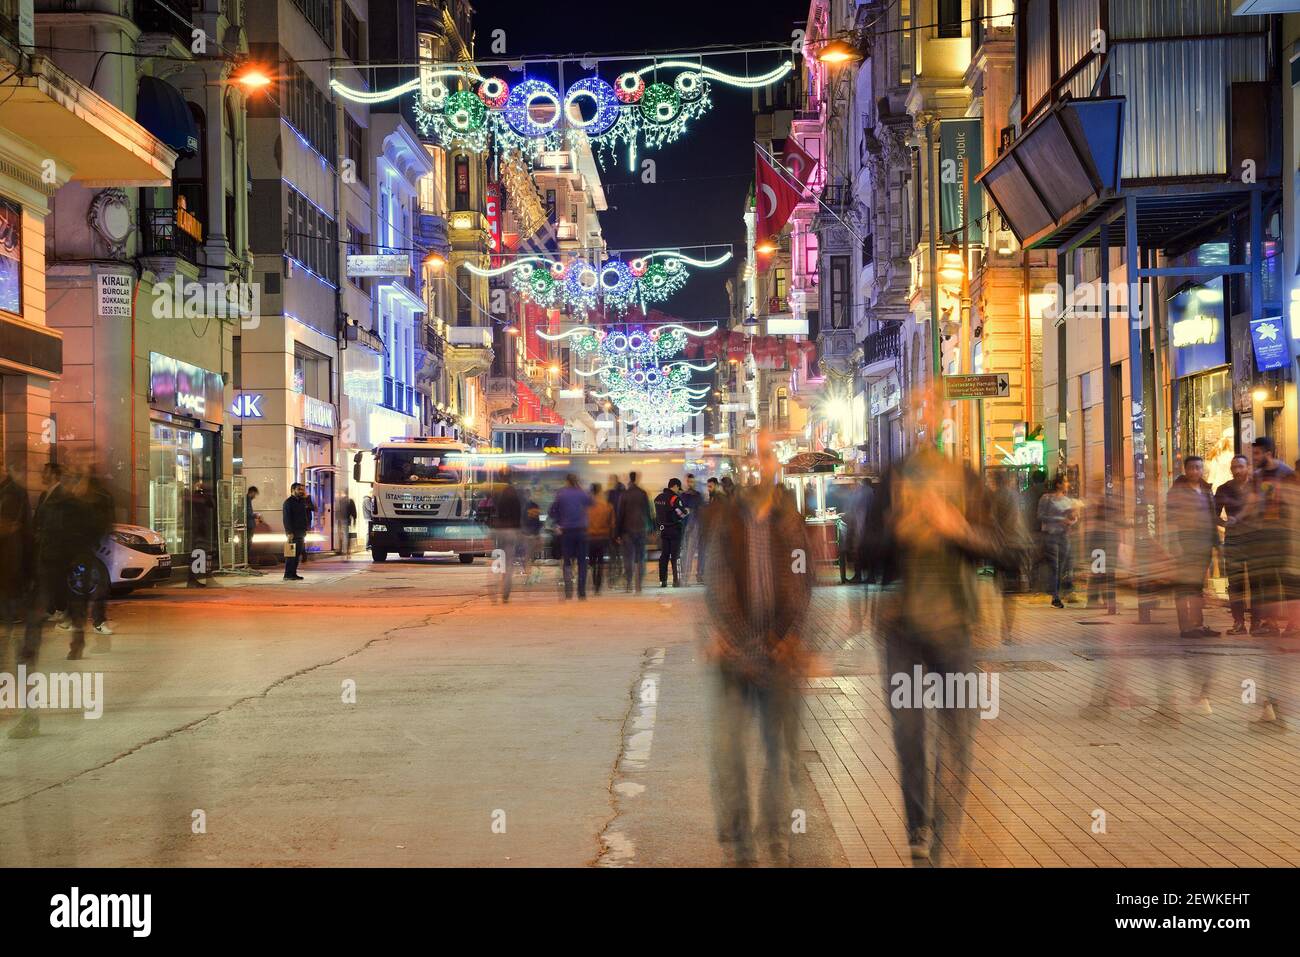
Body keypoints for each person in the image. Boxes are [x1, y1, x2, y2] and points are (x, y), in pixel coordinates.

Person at [863, 389, 1005, 867]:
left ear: (946, 414)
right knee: (909, 736)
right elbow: (862, 554)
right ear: (910, 416)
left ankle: (945, 840)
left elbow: (1007, 551)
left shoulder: (965, 479)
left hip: (955, 629)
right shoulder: (894, 477)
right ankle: (918, 829)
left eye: (934, 405)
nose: (927, 413)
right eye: (919, 405)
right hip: (903, 628)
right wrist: (895, 533)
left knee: (959, 739)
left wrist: (958, 529)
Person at [704, 431, 813, 866]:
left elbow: (806, 584)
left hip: (781, 654)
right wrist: (738, 642)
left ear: (775, 466)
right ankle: (739, 839)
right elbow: (717, 585)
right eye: (753, 456)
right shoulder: (726, 521)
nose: (759, 464)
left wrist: (792, 638)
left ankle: (777, 836)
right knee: (729, 748)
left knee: (780, 751)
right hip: (735, 654)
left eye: (766, 456)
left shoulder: (792, 521)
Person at [1167, 456, 1219, 639]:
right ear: (1186, 470)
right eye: (1192, 468)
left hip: (1204, 546)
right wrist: (1174, 545)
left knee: (1197, 587)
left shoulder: (1206, 490)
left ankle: (1199, 624)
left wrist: (1215, 544)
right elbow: (1170, 519)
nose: (1196, 471)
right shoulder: (1177, 491)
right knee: (1183, 587)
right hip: (1185, 545)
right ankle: (1186, 627)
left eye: (1199, 468)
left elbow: (1212, 517)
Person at [1251, 437, 1293, 636]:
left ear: (1268, 453)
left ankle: (1294, 623)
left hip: (1283, 534)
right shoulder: (1257, 476)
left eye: (1257, 453)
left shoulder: (1285, 473)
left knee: (1286, 580)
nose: (1254, 457)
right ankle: (1271, 622)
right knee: (1266, 580)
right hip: (1263, 534)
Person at [1215, 455, 1257, 635]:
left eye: (1240, 466)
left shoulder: (1258, 486)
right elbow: (1214, 515)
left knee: (1257, 583)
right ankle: (1238, 623)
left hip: (1255, 541)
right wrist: (1225, 524)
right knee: (1235, 584)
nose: (1237, 470)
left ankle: (1258, 623)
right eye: (1234, 467)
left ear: (1248, 466)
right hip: (1233, 541)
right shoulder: (1223, 489)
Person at [990, 471, 1031, 641]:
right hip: (1017, 545)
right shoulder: (1016, 496)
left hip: (1003, 547)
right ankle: (1008, 629)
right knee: (1010, 593)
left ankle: (1005, 627)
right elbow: (1022, 521)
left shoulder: (997, 497)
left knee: (1003, 590)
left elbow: (992, 521)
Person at [0, 465, 32, 642]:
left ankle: (11, 615)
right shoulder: (10, 490)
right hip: (11, 546)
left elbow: (14, 524)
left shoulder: (14, 492)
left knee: (10, 581)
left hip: (11, 547)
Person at [549, 473, 593, 600]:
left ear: (567, 481)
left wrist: (559, 520)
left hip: (567, 532)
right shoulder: (582, 493)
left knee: (567, 561)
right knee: (582, 562)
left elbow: (552, 511)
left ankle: (568, 591)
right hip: (582, 532)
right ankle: (581, 592)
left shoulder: (561, 493)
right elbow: (591, 502)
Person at [1037, 476, 1077, 608]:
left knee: (1062, 566)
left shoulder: (1067, 501)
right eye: (1065, 481)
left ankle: (1057, 593)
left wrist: (1073, 519)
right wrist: (1059, 519)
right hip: (1051, 535)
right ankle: (1055, 596)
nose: (1067, 484)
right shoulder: (1046, 498)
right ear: (1058, 484)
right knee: (1055, 566)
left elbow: (1073, 518)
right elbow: (1040, 516)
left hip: (1064, 535)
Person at [615, 471, 653, 593]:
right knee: (640, 558)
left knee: (628, 558)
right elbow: (648, 512)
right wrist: (651, 528)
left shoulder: (624, 495)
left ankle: (629, 583)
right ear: (637, 479)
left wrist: (617, 533)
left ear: (629, 480)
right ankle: (639, 585)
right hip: (641, 529)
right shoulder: (643, 494)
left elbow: (620, 515)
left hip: (627, 531)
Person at [490, 471, 524, 603]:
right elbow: (518, 512)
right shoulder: (514, 492)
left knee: (499, 558)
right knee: (509, 562)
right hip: (511, 530)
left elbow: (491, 510)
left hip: (499, 530)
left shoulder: (496, 492)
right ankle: (505, 592)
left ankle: (497, 580)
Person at [654, 478, 688, 588]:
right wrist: (686, 511)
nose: (678, 490)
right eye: (678, 488)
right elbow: (681, 514)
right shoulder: (674, 498)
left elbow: (657, 515)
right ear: (675, 486)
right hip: (674, 531)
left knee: (664, 555)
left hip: (663, 530)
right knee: (675, 556)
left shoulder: (658, 498)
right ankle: (676, 581)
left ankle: (662, 581)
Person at [187, 479, 216, 587]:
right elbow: (210, 504)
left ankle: (199, 579)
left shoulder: (198, 497)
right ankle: (193, 579)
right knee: (198, 553)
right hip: (198, 529)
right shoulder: (196, 497)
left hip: (202, 528)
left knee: (206, 553)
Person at [587, 482, 614, 594]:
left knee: (592, 562)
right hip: (603, 537)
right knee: (600, 561)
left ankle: (594, 583)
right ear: (600, 491)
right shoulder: (607, 506)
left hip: (590, 538)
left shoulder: (586, 507)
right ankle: (598, 585)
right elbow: (612, 523)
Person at [282, 483, 313, 581]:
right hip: (293, 533)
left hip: (301, 532)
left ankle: (293, 573)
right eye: (299, 489)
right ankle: (288, 574)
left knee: (297, 554)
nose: (301, 491)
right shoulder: (288, 502)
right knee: (291, 555)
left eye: (302, 489)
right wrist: (289, 532)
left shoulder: (302, 502)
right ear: (293, 490)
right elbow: (286, 518)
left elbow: (310, 510)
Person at [678, 474, 705, 584]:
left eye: (692, 481)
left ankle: (687, 578)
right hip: (689, 526)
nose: (690, 483)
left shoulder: (694, 495)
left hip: (693, 526)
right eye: (689, 481)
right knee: (687, 553)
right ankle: (687, 577)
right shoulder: (686, 495)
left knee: (689, 553)